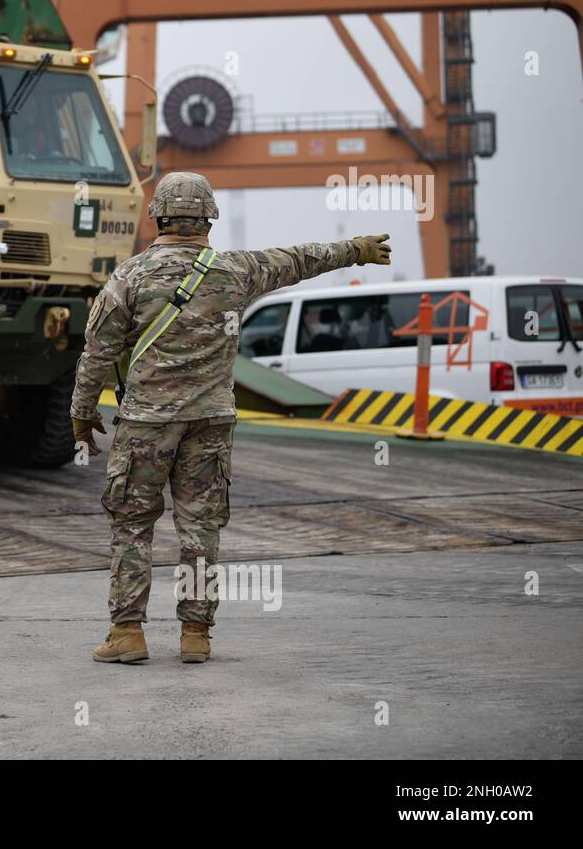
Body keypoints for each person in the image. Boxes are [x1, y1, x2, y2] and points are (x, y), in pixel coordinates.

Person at [70, 171, 391, 664]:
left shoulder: (128, 277)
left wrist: (82, 413)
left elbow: (97, 353)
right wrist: (357, 249)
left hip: (146, 425)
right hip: (212, 421)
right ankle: (195, 635)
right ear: (208, 219)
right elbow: (302, 259)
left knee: (132, 524)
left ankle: (127, 633)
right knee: (201, 527)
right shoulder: (237, 271)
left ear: (156, 215)